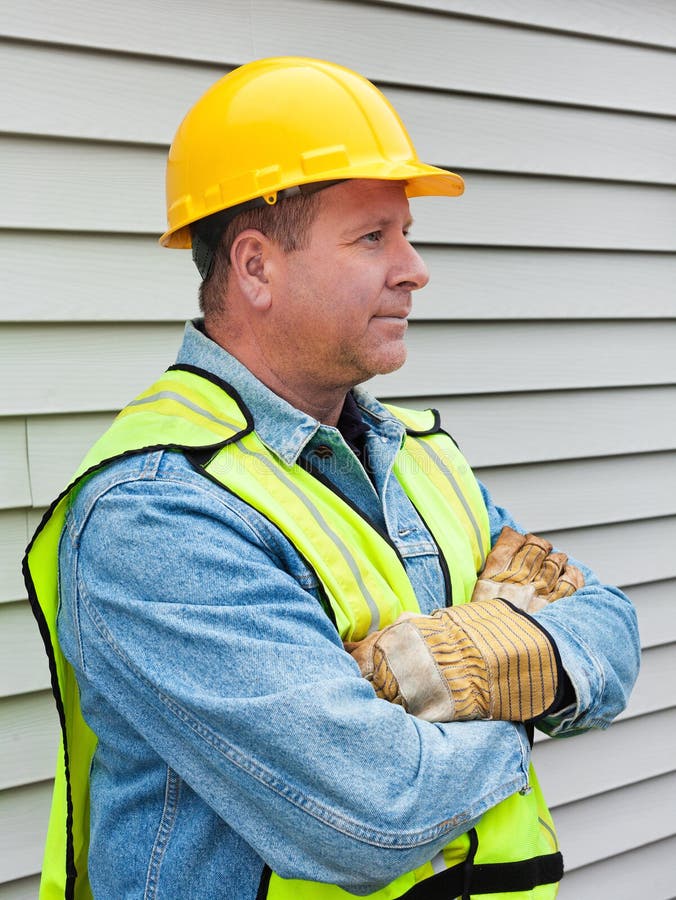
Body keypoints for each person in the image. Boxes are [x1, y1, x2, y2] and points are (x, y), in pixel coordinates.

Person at [24, 57, 640, 899]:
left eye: (407, 233)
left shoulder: (420, 454)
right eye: (373, 237)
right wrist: (523, 681)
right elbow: (375, 810)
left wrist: (438, 679)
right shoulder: (157, 510)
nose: (415, 268)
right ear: (256, 267)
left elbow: (612, 628)